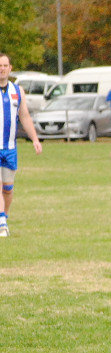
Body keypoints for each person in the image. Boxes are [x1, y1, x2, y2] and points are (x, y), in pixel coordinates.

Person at [0, 53, 43, 238]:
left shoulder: (17, 91)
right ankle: (2, 223)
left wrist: (34, 139)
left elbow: (24, 116)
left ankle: (4, 217)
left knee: (8, 189)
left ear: (10, 68)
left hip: (10, 148)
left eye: (4, 65)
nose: (1, 69)